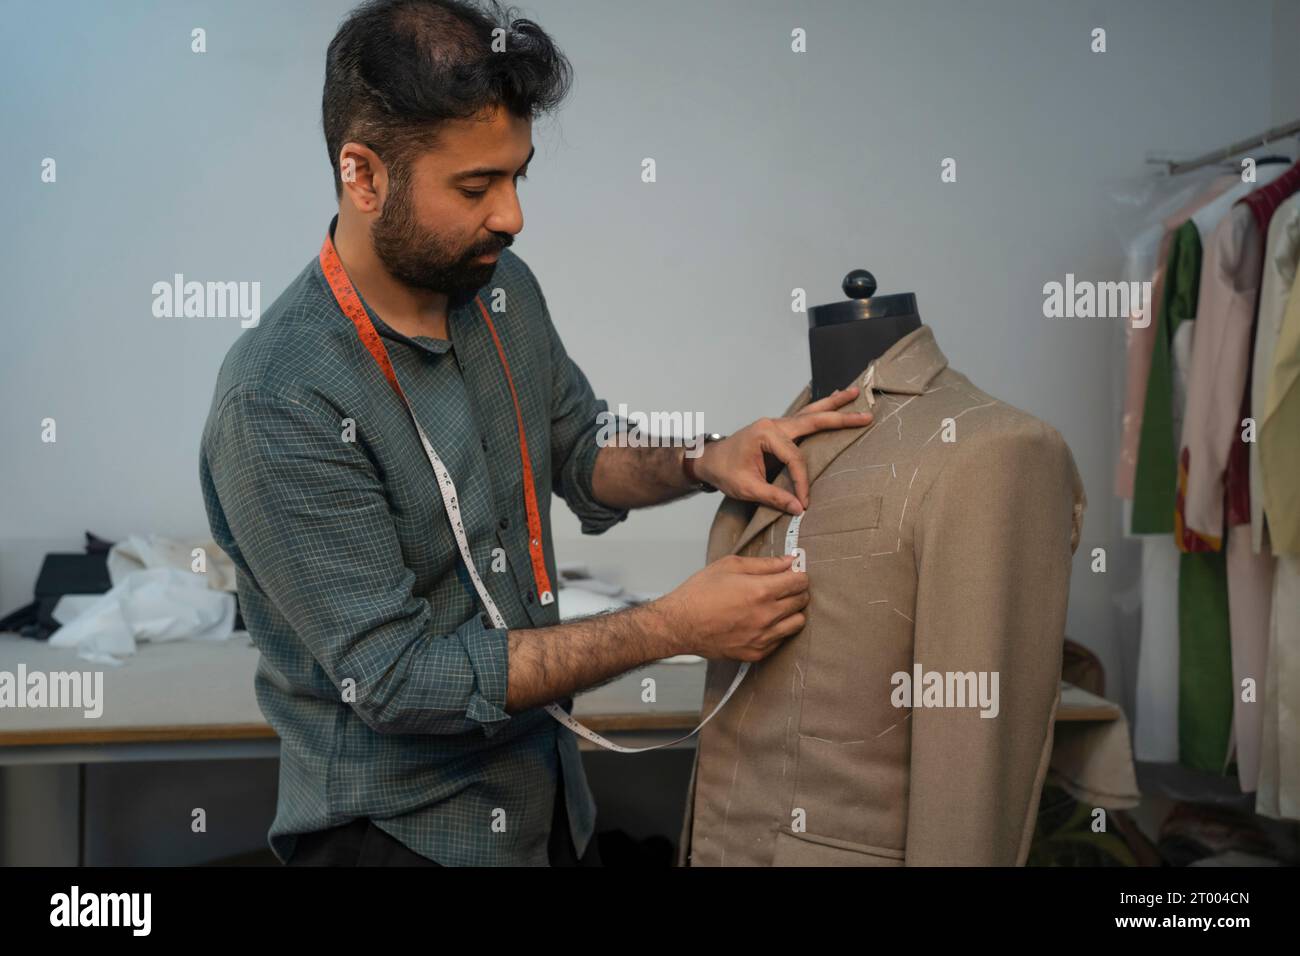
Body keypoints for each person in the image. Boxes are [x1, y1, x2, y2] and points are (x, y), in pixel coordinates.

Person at [199, 0, 872, 867]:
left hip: (547, 803)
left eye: (518, 177)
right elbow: (401, 681)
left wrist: (704, 457)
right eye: (476, 188)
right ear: (363, 177)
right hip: (400, 837)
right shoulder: (279, 397)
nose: (513, 216)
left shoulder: (498, 286)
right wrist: (670, 628)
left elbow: (579, 446)